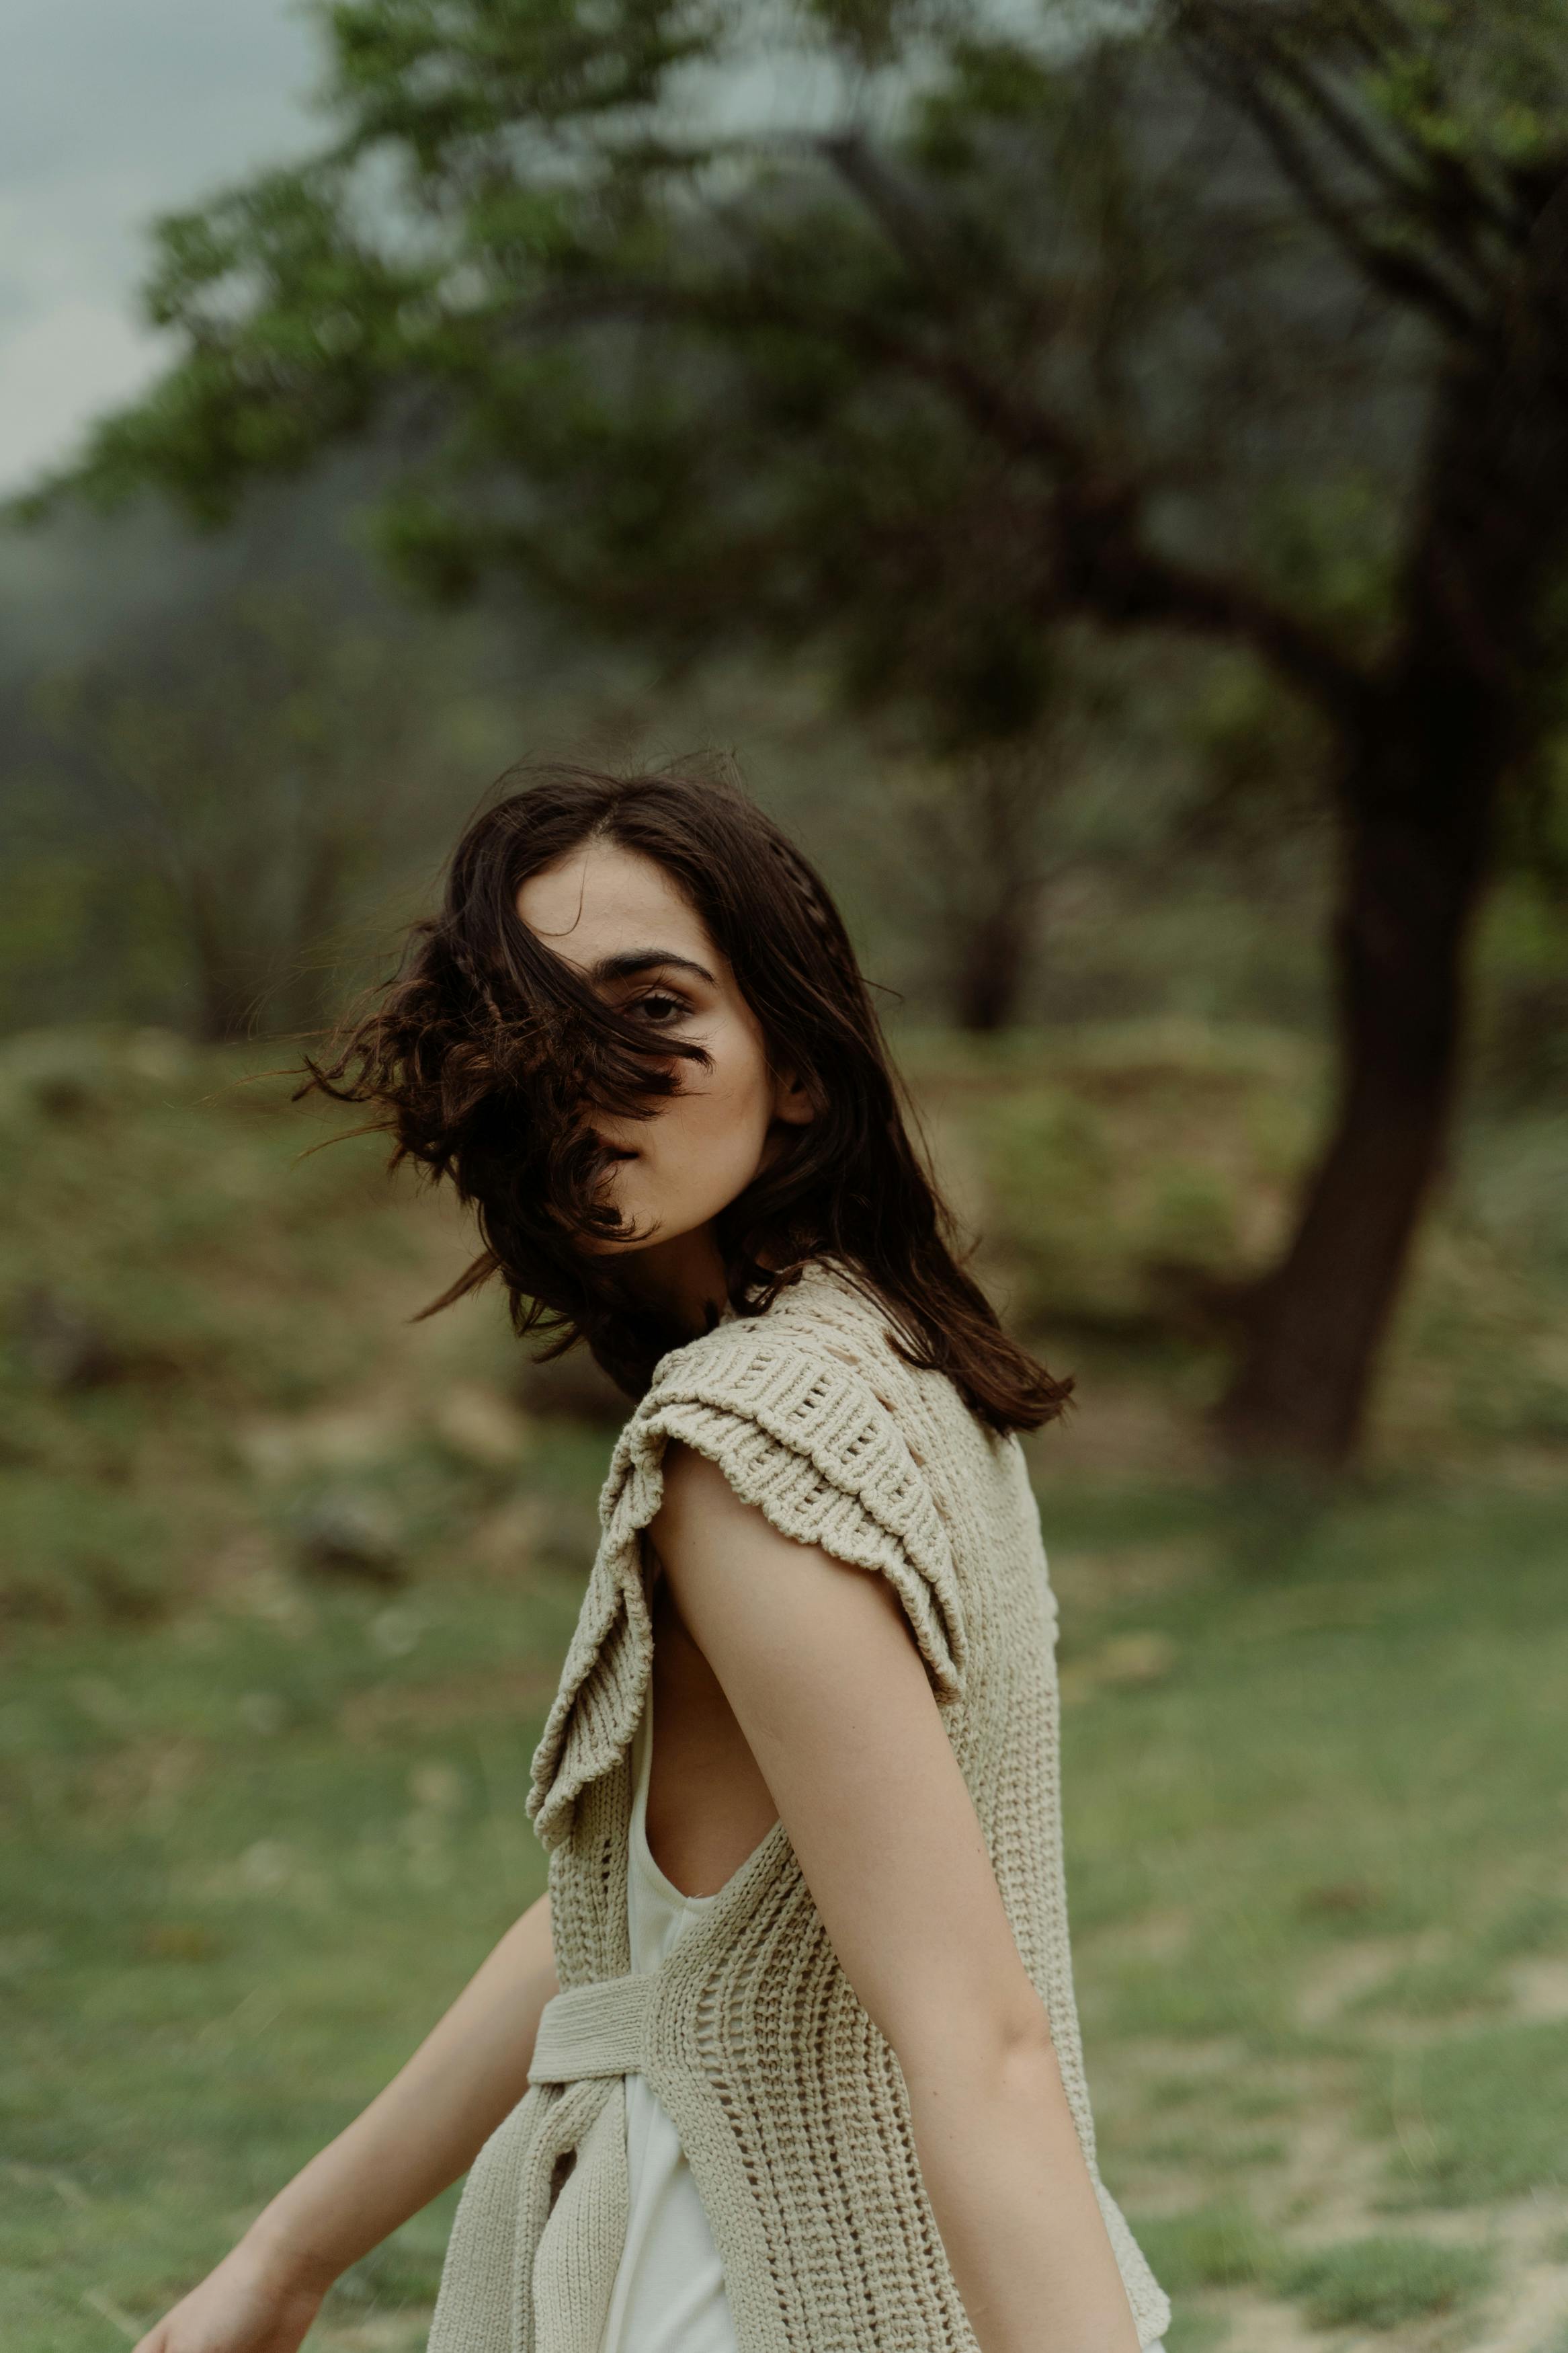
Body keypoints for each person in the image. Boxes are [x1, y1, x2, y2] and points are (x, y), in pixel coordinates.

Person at [133, 764, 1170, 2353]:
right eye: (530, 1028)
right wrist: (287, 2255)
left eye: (652, 1003)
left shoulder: (745, 1441)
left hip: (745, 2282)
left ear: (797, 1064)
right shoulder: (901, 1370)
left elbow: (979, 2034)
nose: (587, 1076)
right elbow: (630, 1924)